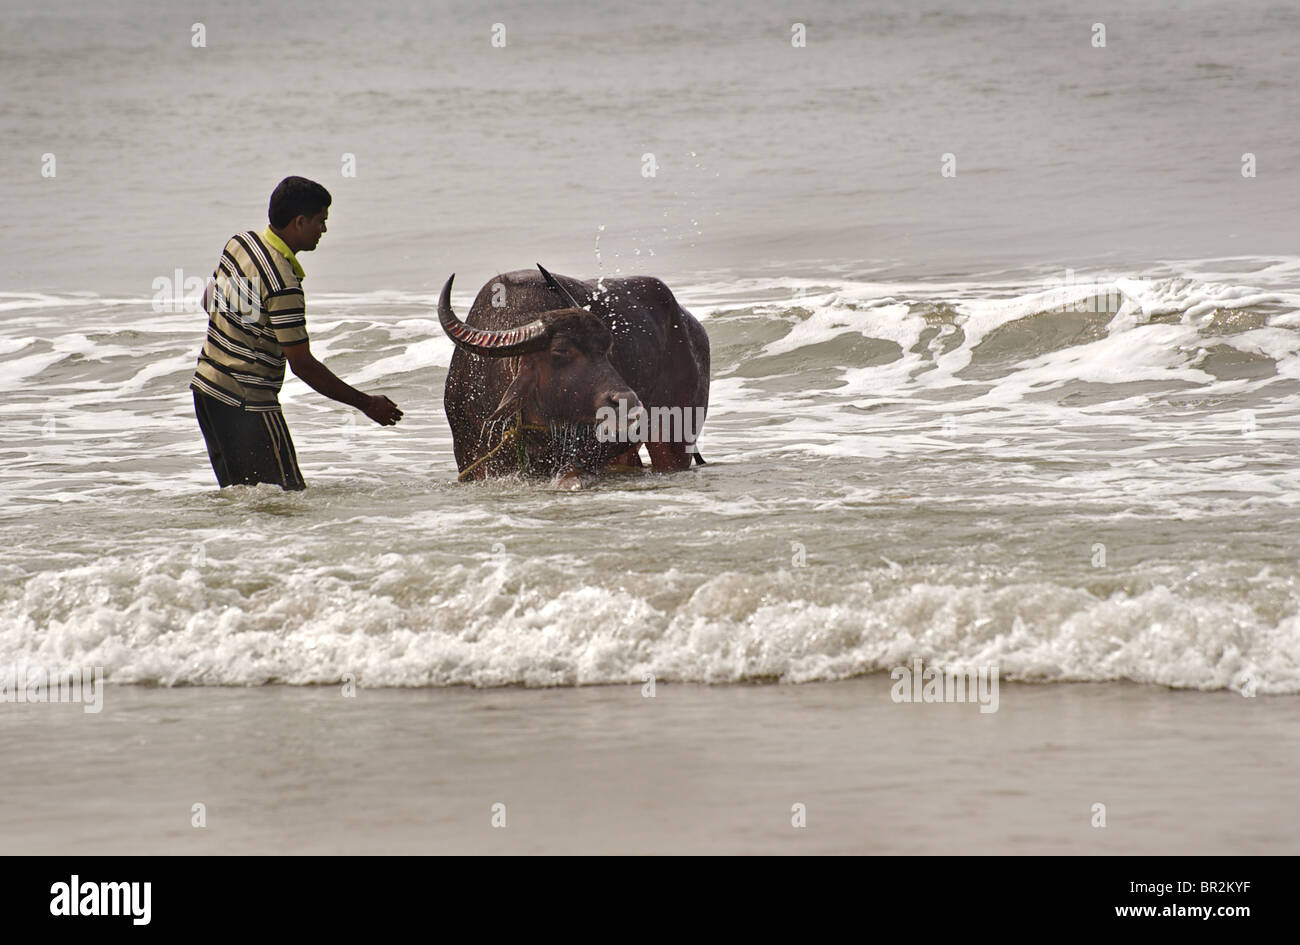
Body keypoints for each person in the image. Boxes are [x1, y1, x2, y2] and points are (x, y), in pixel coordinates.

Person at [190, 176, 402, 490]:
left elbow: (208, 300)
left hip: (207, 392)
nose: (324, 230)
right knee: (287, 500)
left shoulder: (240, 243)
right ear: (299, 222)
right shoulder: (283, 283)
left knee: (243, 502)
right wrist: (366, 404)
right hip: (248, 405)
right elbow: (302, 365)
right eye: (320, 221)